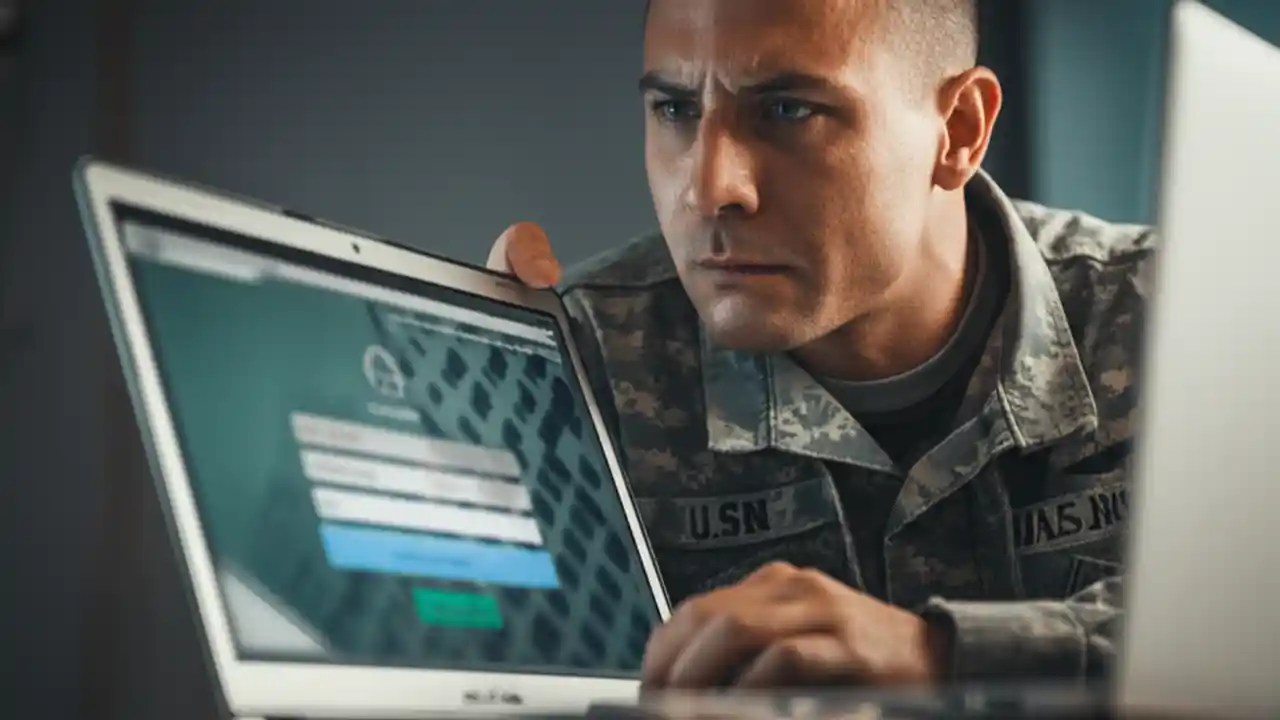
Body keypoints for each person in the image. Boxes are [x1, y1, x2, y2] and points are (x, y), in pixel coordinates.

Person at [487, 0, 1150, 691]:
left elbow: (1231, 635)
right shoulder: (580, 365)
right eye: (676, 110)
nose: (710, 190)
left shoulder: (1170, 319)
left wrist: (943, 657)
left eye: (787, 111)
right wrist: (469, 416)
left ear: (959, 129)